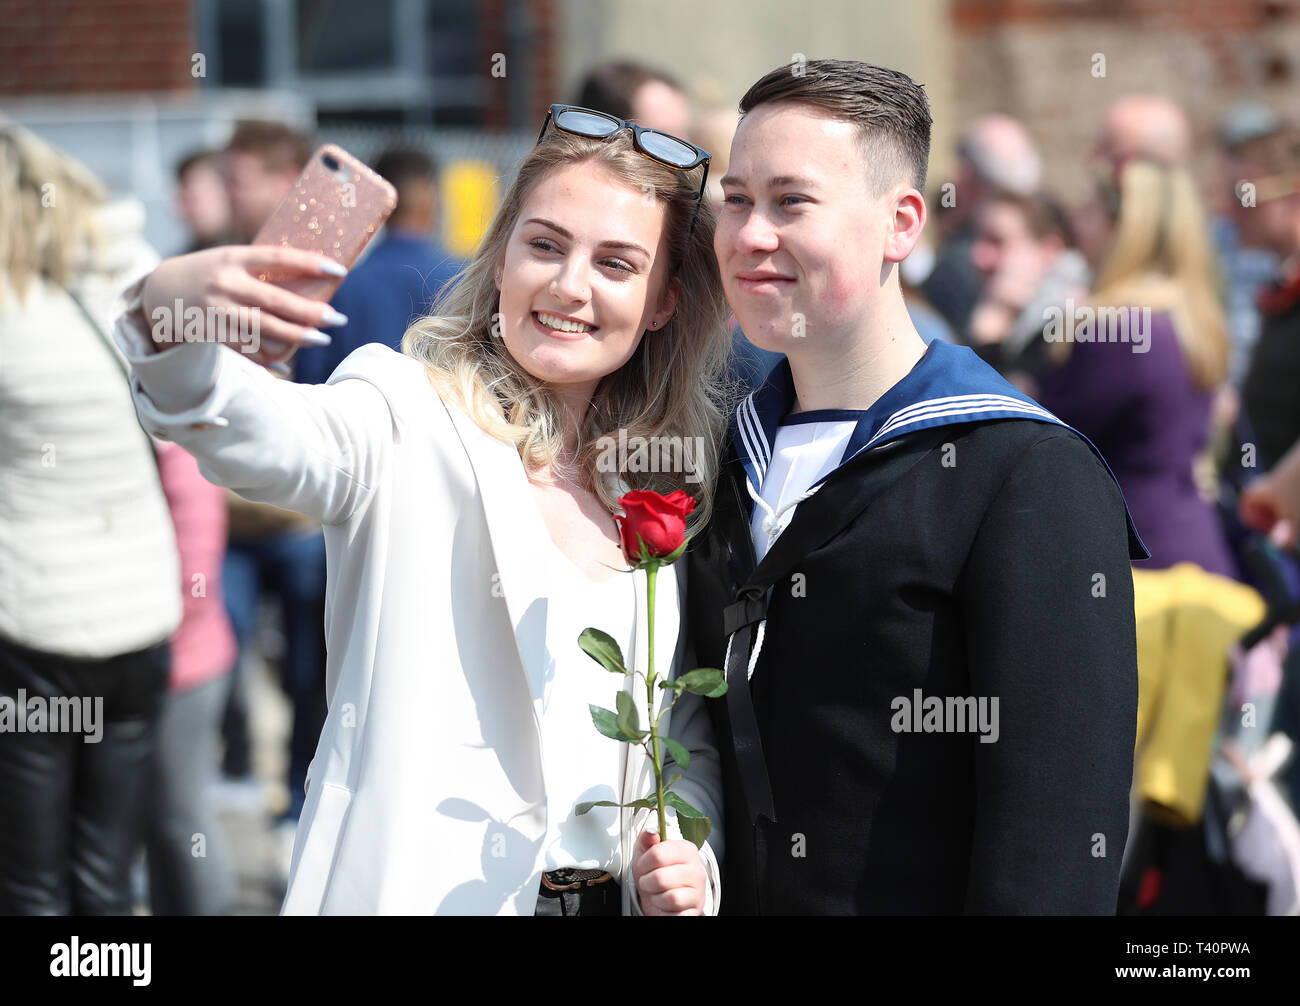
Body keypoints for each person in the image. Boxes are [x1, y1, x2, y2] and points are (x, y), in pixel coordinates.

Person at [109, 106, 730, 915]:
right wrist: (168, 311)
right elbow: (251, 433)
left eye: (616, 264)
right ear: (502, 258)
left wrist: (692, 855)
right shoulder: (401, 407)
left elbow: (679, 726)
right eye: (544, 244)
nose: (570, 285)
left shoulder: (660, 483)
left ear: (662, 303)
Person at [686, 58, 1145, 915]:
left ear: (901, 223)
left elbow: (1052, 839)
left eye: (792, 201)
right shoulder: (721, 453)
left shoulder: (1022, 471)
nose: (749, 234)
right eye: (736, 199)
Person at [0, 120, 180, 914]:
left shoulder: (11, 312)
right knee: (109, 869)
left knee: (31, 878)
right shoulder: (134, 283)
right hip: (142, 615)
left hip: (35, 622)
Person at [293, 146, 465, 387]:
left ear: (376, 206)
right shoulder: (463, 283)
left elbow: (309, 381)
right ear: (432, 201)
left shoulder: (335, 287)